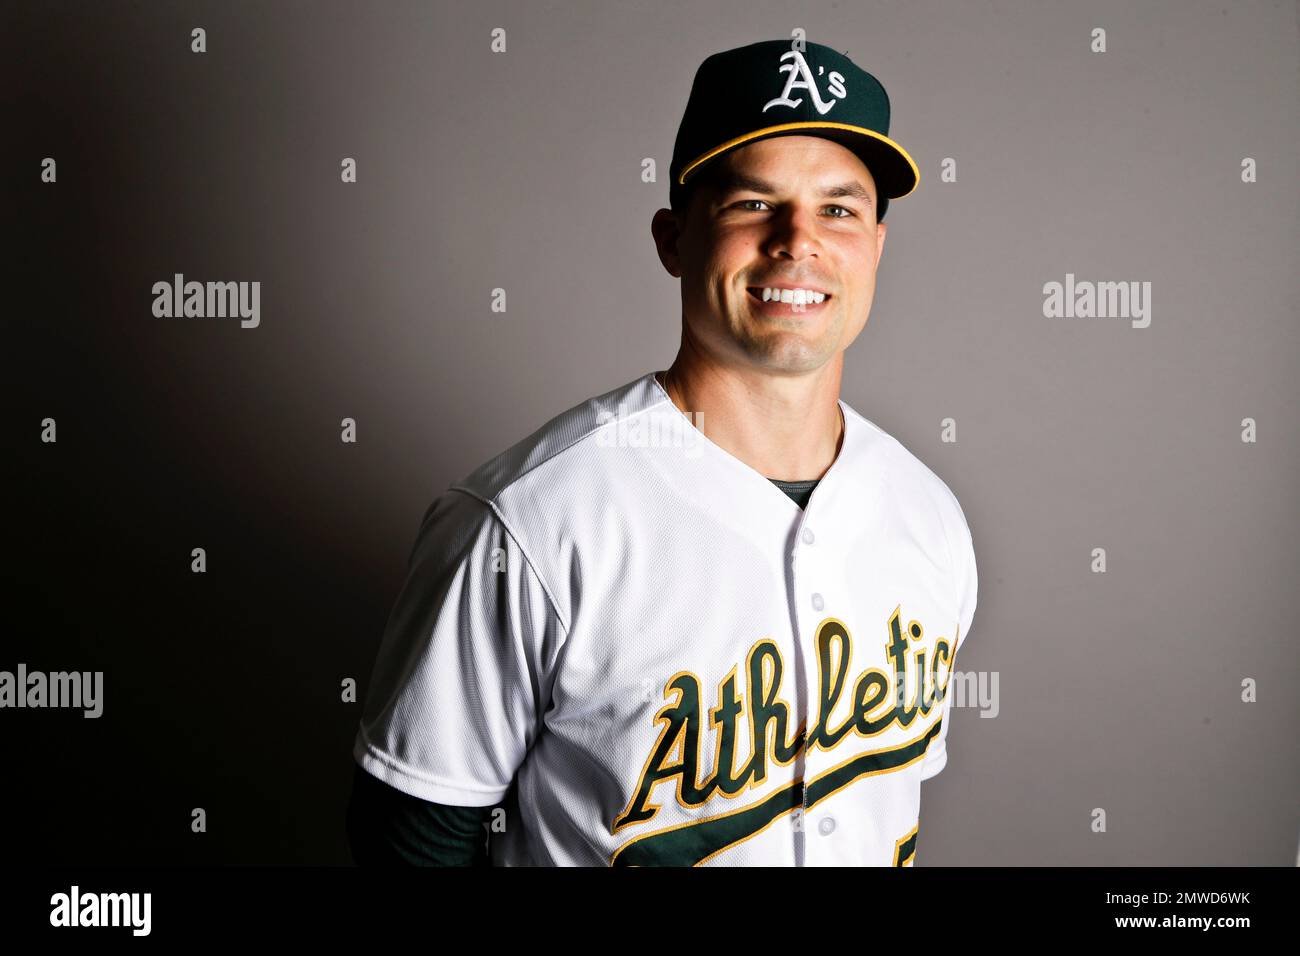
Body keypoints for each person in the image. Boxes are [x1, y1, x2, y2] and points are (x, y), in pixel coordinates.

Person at [347, 37, 977, 867]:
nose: (798, 240)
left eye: (839, 208)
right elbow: (411, 849)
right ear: (673, 239)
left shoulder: (928, 515)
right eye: (753, 203)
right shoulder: (529, 523)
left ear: (876, 247)